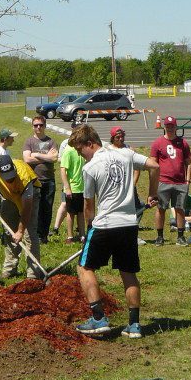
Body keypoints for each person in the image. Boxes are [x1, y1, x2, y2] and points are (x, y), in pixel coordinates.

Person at [69, 124, 158, 339]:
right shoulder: (125, 154)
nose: (81, 156)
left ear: (90, 143)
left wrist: (88, 228)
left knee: (84, 267)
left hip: (105, 224)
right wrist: (152, 194)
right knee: (128, 272)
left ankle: (98, 319)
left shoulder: (90, 168)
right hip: (128, 225)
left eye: (81, 151)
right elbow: (154, 166)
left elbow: (88, 205)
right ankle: (134, 325)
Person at [0, 152, 42, 279]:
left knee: (29, 235)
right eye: (6, 177)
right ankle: (9, 269)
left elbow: (26, 210)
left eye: (11, 176)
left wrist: (20, 231)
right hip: (8, 197)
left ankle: (33, 275)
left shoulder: (24, 177)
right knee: (8, 232)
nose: (10, 179)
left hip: (28, 199)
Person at [150, 116, 191, 246]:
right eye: (167, 126)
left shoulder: (183, 143)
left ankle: (180, 236)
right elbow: (153, 164)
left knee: (180, 208)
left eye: (172, 126)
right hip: (163, 181)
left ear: (176, 127)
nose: (170, 128)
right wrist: (154, 182)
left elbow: (188, 163)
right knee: (161, 208)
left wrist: (187, 180)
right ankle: (160, 236)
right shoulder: (158, 143)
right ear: (164, 127)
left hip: (180, 182)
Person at [23, 115, 59, 243]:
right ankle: (35, 234)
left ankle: (44, 235)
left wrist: (37, 154)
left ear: (45, 126)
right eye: (36, 125)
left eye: (41, 125)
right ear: (32, 127)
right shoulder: (29, 142)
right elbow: (27, 159)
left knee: (47, 208)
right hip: (34, 180)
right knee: (35, 208)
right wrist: (46, 156)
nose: (38, 127)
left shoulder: (51, 141)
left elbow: (54, 158)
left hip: (49, 180)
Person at [59, 133, 86, 243]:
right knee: (70, 213)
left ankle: (82, 235)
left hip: (82, 187)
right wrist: (67, 187)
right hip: (72, 187)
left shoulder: (82, 150)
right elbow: (63, 170)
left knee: (81, 212)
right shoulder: (68, 151)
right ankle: (70, 236)